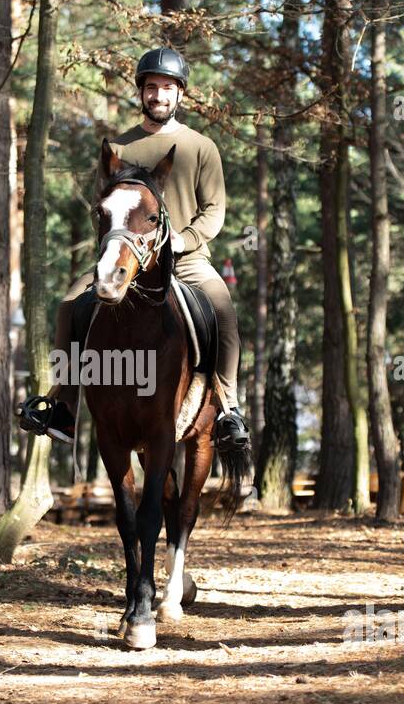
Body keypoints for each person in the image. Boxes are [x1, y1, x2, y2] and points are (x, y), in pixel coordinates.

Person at [17, 46, 250, 452]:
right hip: (125, 258)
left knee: (224, 313)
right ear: (141, 92)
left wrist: (182, 240)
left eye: (167, 88)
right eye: (151, 87)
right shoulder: (118, 147)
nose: (158, 95)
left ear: (180, 94)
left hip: (186, 259)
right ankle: (63, 406)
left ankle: (229, 407)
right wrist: (118, 245)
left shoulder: (201, 147)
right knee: (69, 305)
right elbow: (100, 208)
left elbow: (214, 211)